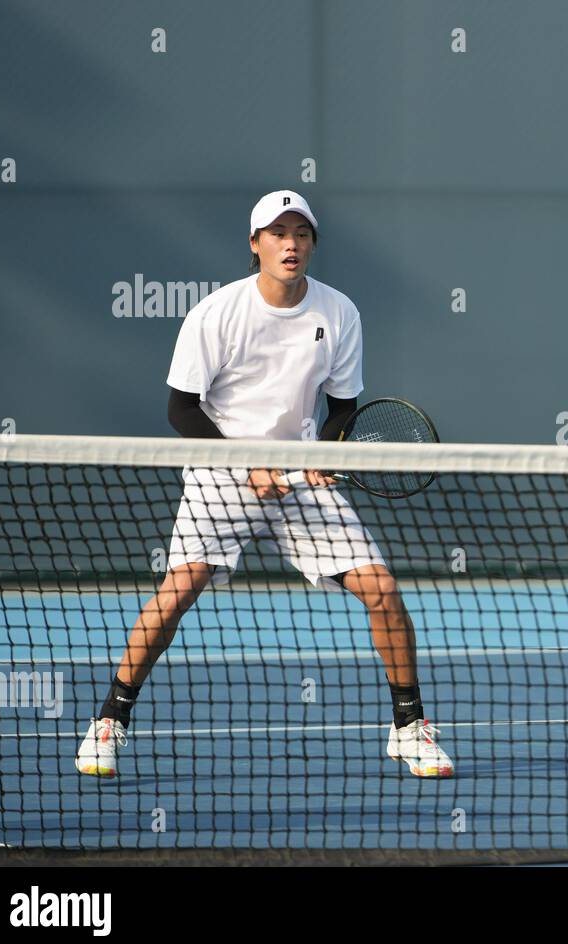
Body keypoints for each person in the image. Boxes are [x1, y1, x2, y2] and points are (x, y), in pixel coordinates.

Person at [75, 190, 455, 778]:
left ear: (312, 244)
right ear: (255, 246)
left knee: (382, 590)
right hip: (222, 475)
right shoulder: (217, 313)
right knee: (178, 593)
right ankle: (109, 722)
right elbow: (182, 410)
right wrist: (244, 465)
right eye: (277, 234)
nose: (291, 244)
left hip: (301, 482)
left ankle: (409, 728)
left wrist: (324, 455)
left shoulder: (339, 313)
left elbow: (342, 407)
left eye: (301, 234)